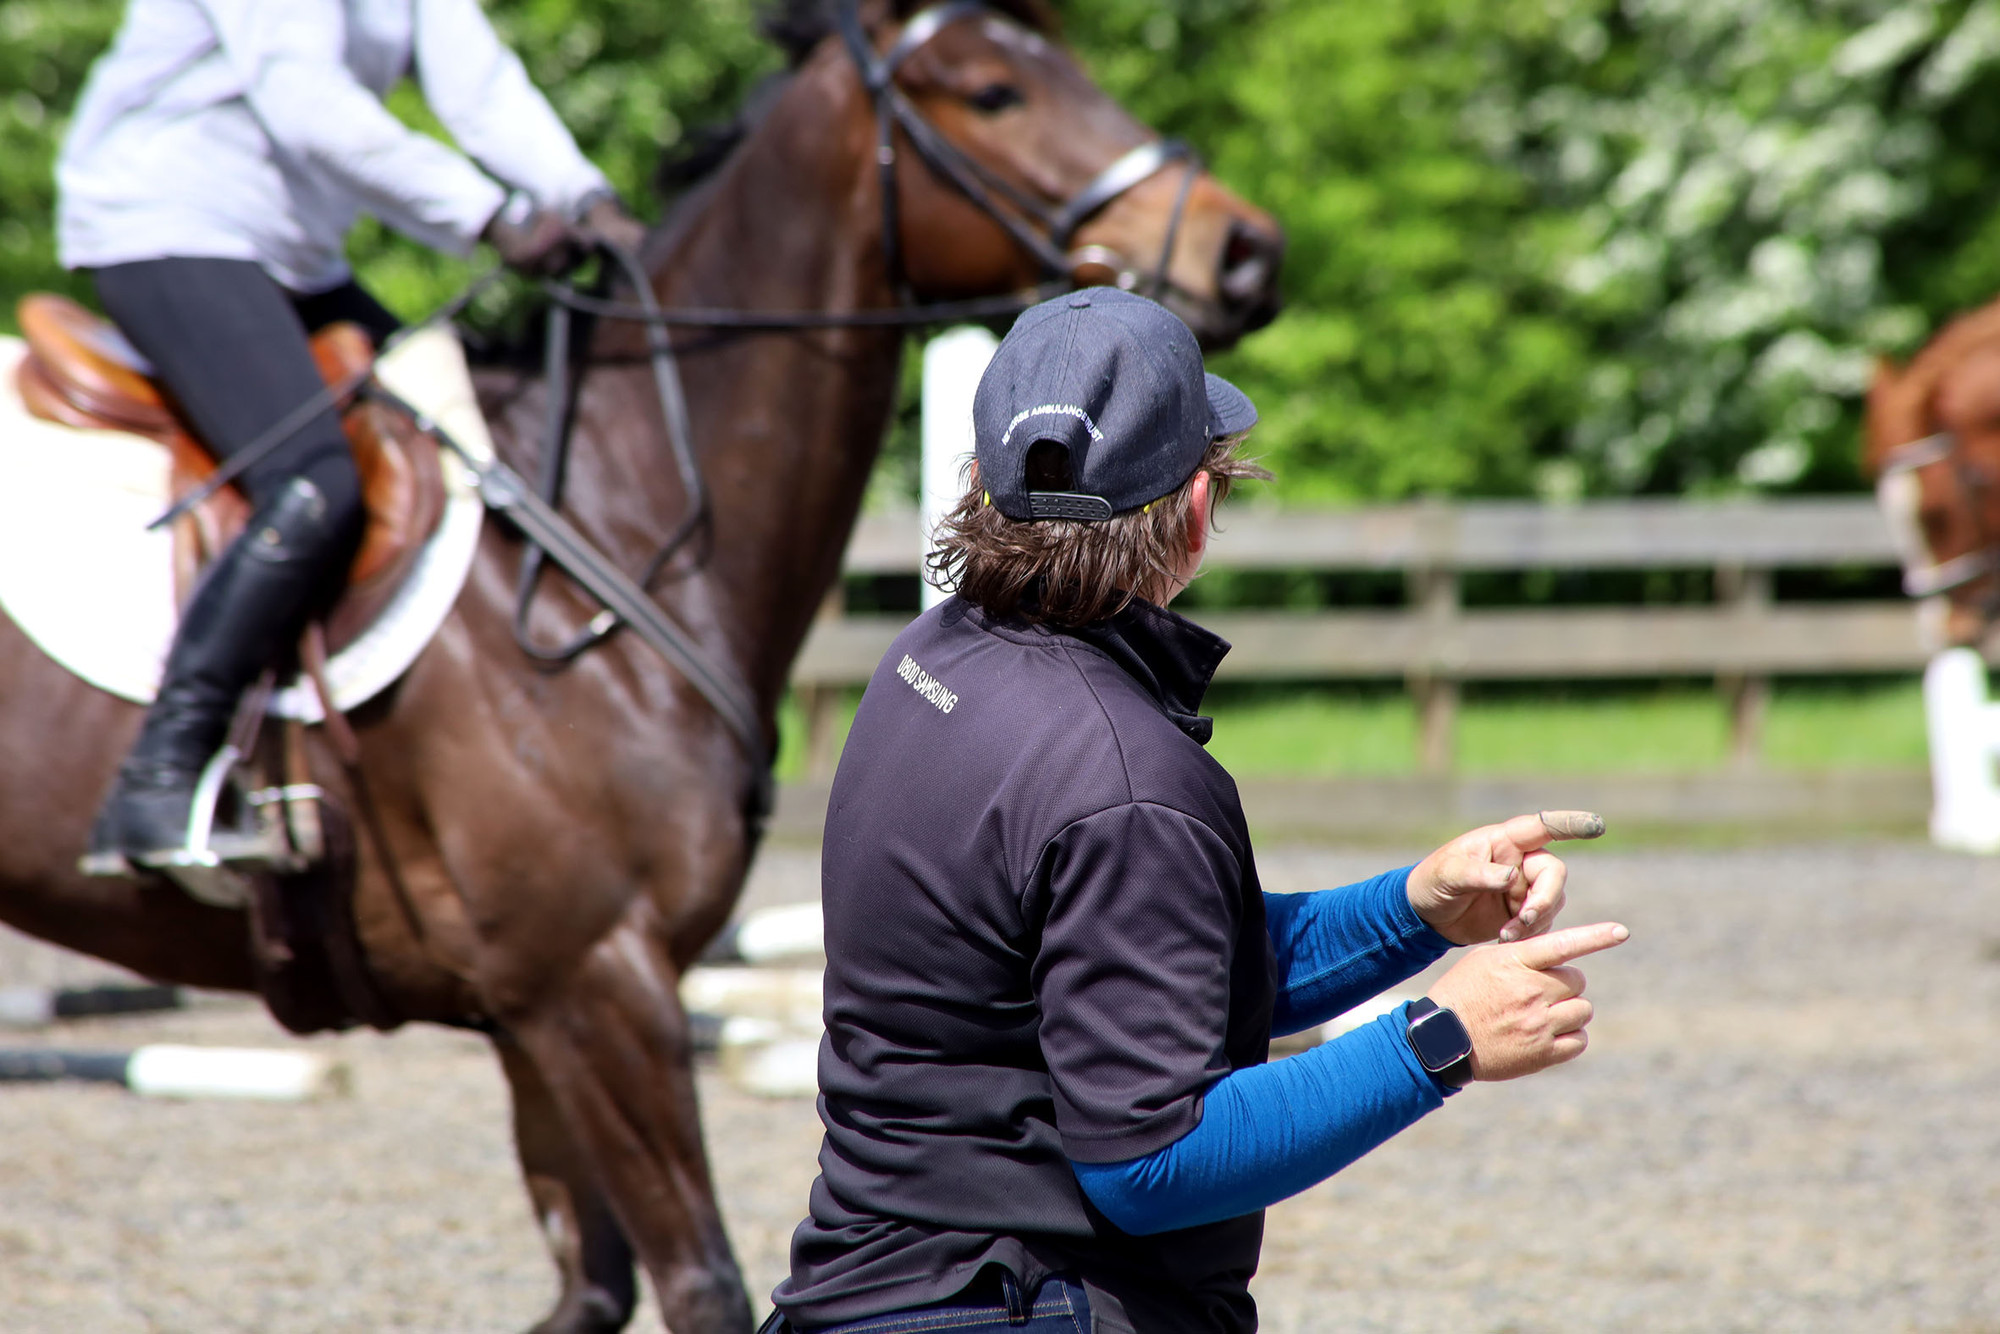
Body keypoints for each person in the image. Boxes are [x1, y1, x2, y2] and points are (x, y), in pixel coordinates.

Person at [766, 288, 1631, 1333]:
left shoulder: (928, 659)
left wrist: (1414, 909)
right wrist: (1439, 1037)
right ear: (1191, 511)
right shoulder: (1123, 776)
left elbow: (1146, 968)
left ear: (982, 483)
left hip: (866, 1284)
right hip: (1025, 1302)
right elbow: (1151, 1155)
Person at [57, 0, 647, 869]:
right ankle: (157, 776)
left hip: (296, 259)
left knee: (468, 436)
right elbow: (306, 100)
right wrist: (490, 216)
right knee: (313, 483)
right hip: (168, 224)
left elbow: (481, 88)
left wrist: (585, 196)